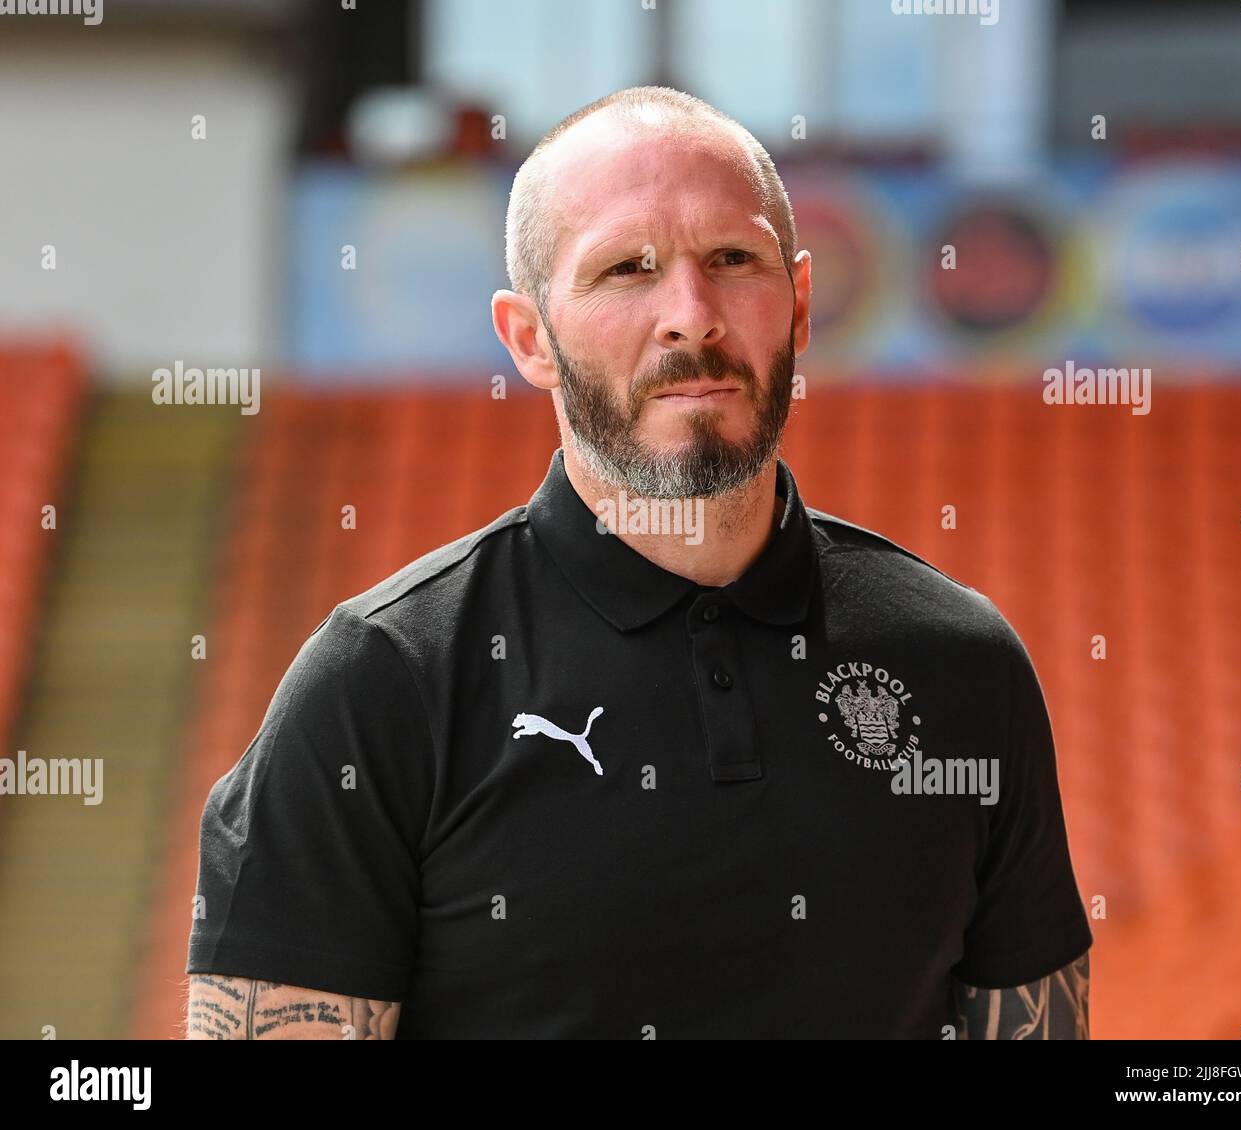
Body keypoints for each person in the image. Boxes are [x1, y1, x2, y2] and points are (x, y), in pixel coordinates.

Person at [185, 85, 1091, 1040]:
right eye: (627, 269)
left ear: (802, 302)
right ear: (529, 337)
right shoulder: (381, 683)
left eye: (734, 260)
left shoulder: (962, 664)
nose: (691, 317)